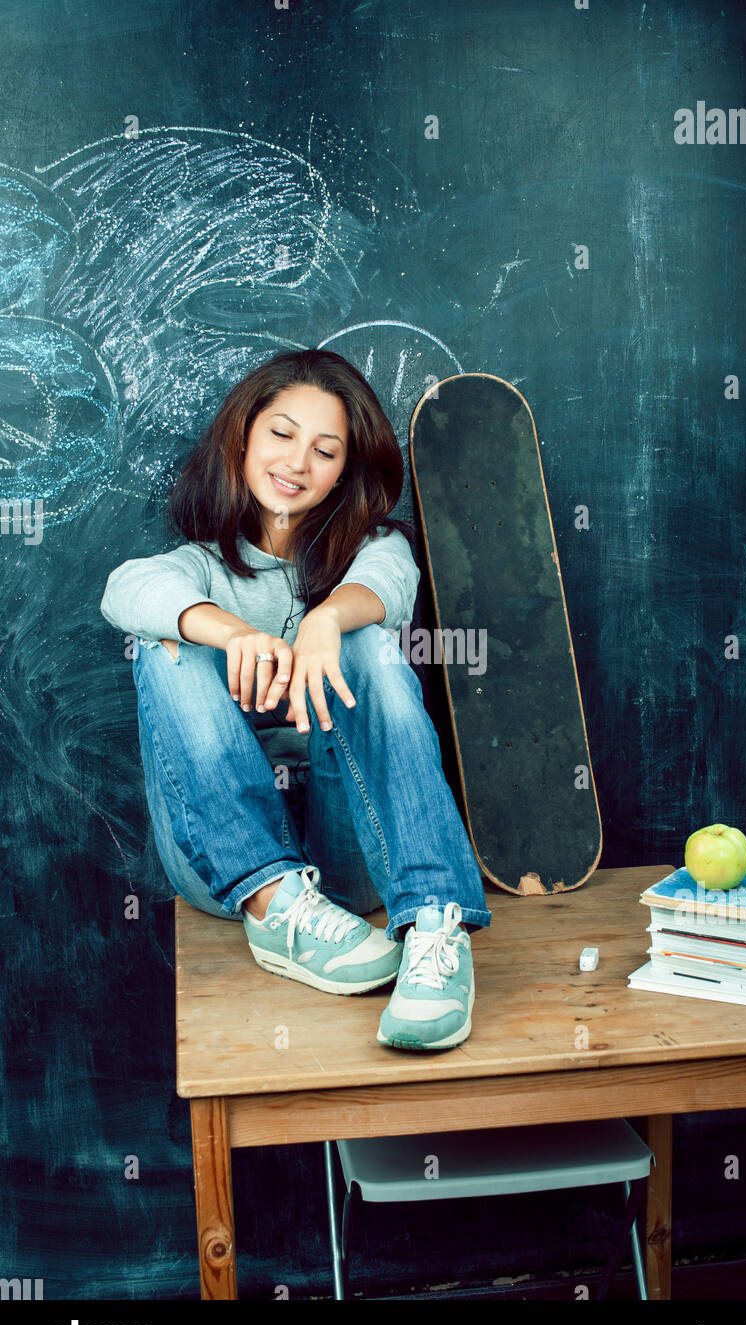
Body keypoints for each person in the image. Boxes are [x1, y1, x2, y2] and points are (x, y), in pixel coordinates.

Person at [100, 348, 491, 1051]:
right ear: (244, 437)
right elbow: (127, 589)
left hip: (354, 846)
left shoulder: (373, 548)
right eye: (281, 434)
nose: (298, 463)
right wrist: (235, 633)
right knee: (166, 641)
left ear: (346, 469)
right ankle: (278, 903)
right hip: (227, 863)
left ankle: (436, 926)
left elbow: (391, 587)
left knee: (369, 640)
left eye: (326, 450)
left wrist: (326, 620)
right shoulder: (199, 565)